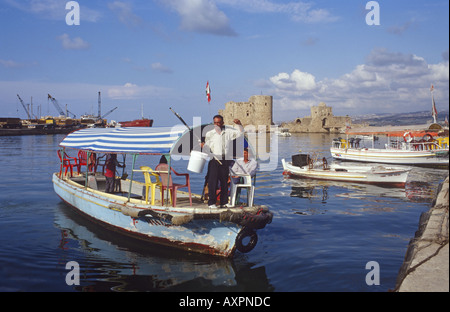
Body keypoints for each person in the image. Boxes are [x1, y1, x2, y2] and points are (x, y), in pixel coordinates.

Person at [202, 115, 244, 208]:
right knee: (213, 181)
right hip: (214, 159)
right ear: (214, 123)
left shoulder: (228, 132)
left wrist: (239, 125)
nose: (217, 124)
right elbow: (207, 148)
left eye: (219, 122)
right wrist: (203, 146)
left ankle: (224, 202)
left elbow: (240, 134)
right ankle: (211, 203)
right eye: (215, 122)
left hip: (225, 159)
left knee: (224, 181)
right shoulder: (210, 134)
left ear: (222, 123)